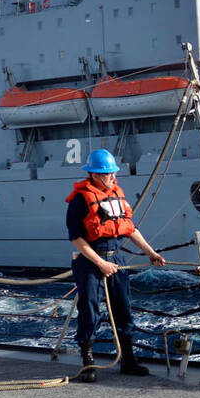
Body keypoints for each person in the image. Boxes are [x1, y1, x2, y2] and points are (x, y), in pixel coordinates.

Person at [66, 149, 165, 382]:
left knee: (123, 307)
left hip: (116, 260)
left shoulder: (116, 196)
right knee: (90, 310)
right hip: (91, 261)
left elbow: (129, 228)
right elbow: (76, 238)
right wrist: (100, 263)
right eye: (108, 173)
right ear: (95, 175)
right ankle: (88, 363)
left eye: (112, 172)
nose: (112, 176)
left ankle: (128, 359)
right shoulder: (80, 200)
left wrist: (151, 252)